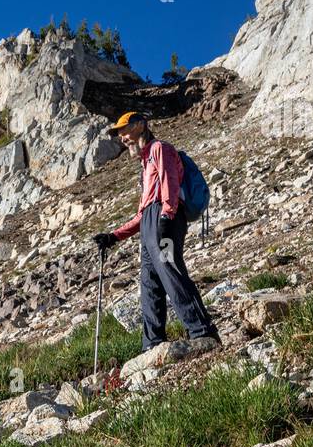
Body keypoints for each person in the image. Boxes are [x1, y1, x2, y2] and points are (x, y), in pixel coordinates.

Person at [92, 112, 220, 352]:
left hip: (164, 220)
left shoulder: (160, 149)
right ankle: (152, 344)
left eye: (124, 130)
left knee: (171, 272)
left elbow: (170, 183)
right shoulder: (145, 162)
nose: (122, 137)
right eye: (118, 134)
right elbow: (142, 214)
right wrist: (114, 236)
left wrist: (166, 216)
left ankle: (203, 331)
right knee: (149, 284)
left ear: (141, 125)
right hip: (151, 223)